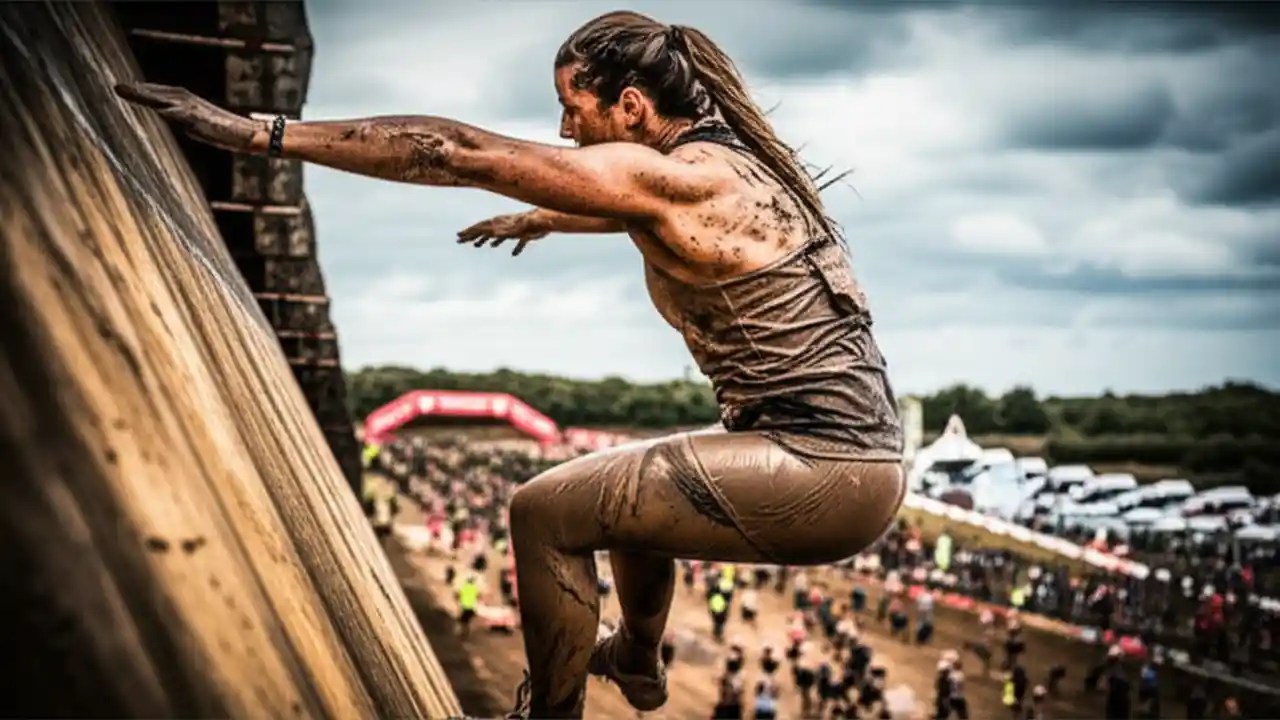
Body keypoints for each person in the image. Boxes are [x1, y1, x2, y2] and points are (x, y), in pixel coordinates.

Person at [114, 10, 905, 718]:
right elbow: (645, 212)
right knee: (629, 495)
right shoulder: (734, 172)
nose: (564, 130)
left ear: (632, 106)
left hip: (820, 470)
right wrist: (544, 218)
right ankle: (637, 658)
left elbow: (457, 151)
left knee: (543, 512)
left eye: (574, 108)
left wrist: (259, 134)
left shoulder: (681, 180)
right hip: (853, 465)